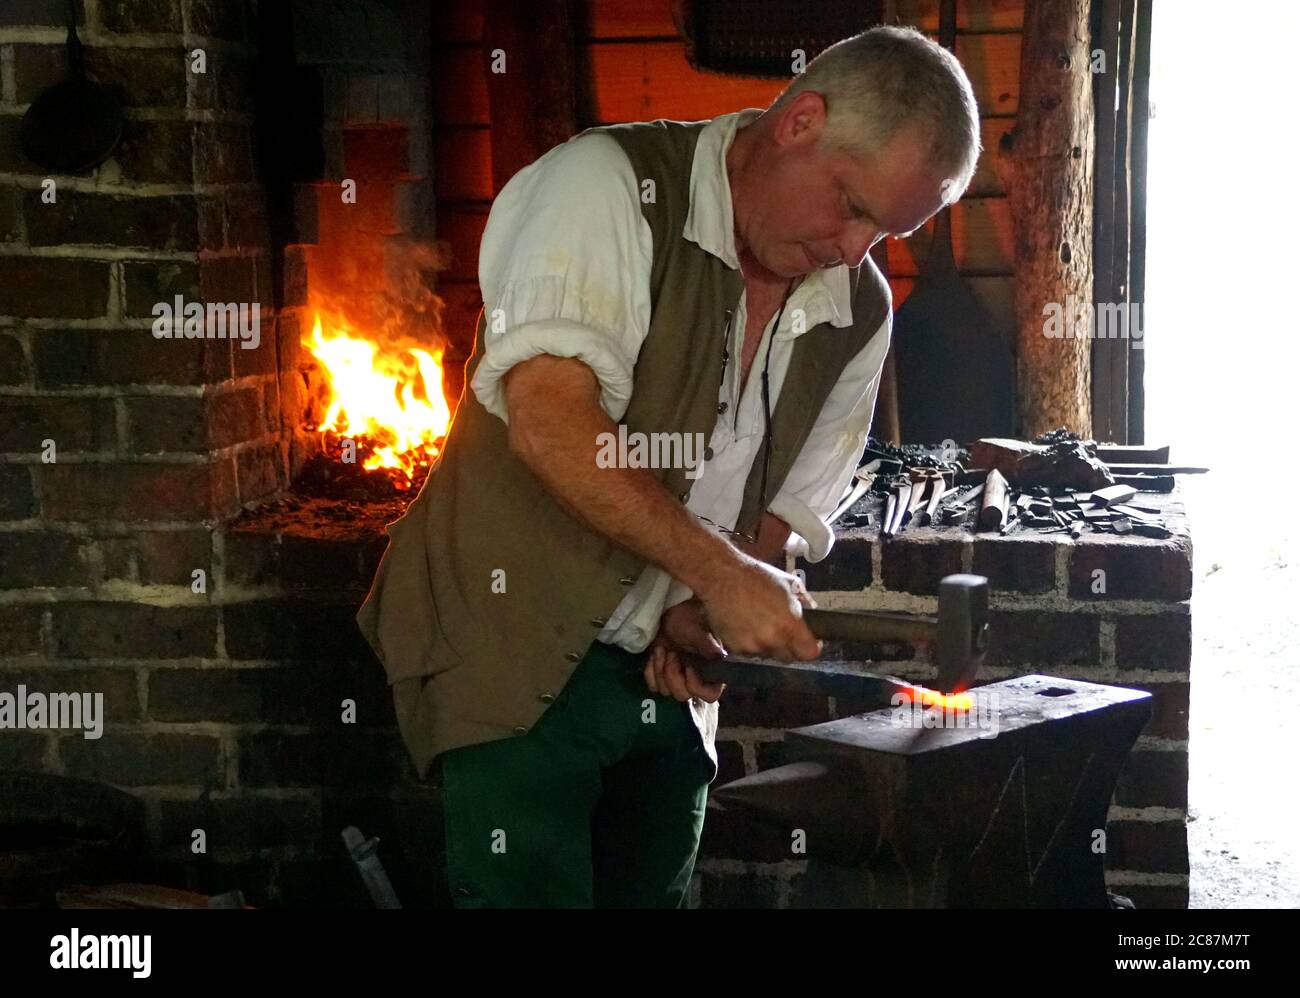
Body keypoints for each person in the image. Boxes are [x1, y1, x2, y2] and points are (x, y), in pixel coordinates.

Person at [357, 24, 980, 908]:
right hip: (512, 634)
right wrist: (717, 572)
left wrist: (700, 607)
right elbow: (550, 424)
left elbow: (784, 507)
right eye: (851, 204)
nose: (854, 248)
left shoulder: (859, 308)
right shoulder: (605, 188)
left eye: (887, 231)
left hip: (669, 675)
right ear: (801, 121)